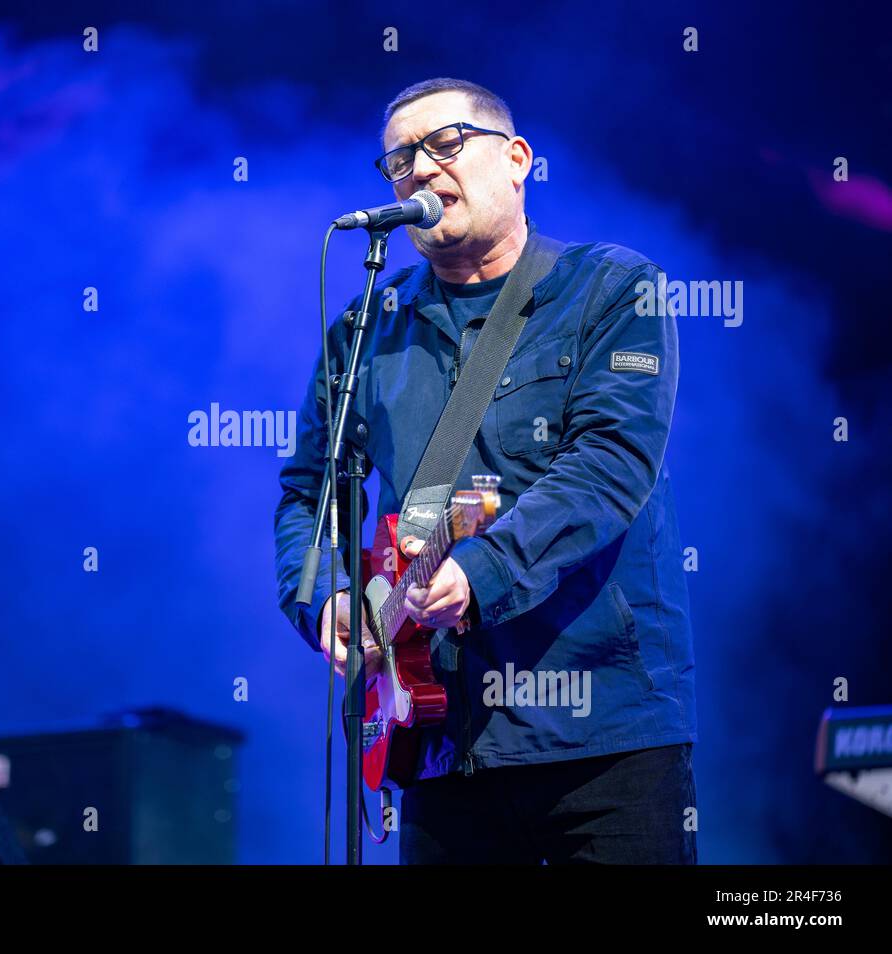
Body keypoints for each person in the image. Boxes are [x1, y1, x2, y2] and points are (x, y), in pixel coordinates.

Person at [274, 77, 697, 864]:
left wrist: (480, 570)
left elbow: (611, 464)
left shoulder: (611, 288)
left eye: (445, 144)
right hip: (435, 740)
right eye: (399, 160)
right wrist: (324, 597)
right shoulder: (368, 325)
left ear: (517, 160)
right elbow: (307, 492)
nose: (421, 170)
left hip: (602, 731)